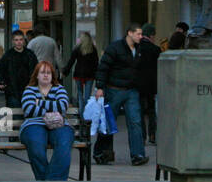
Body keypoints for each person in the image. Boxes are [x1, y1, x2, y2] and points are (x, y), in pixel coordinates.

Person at [95, 26, 148, 166]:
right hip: (114, 89)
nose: (140, 36)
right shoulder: (115, 48)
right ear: (129, 33)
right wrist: (100, 87)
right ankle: (101, 152)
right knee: (108, 122)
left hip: (131, 90)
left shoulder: (140, 49)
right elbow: (104, 67)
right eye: (138, 34)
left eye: (141, 34)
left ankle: (138, 154)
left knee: (135, 122)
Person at [20, 61, 72, 181]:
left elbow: (63, 107)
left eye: (49, 73)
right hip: (34, 124)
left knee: (64, 142)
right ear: (36, 75)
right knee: (36, 144)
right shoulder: (30, 90)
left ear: (52, 76)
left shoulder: (59, 89)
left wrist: (39, 103)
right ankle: (44, 181)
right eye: (42, 72)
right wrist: (52, 109)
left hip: (58, 124)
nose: (45, 75)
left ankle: (54, 181)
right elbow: (29, 109)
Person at [0, 30, 37, 109]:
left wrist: (32, 84)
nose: (19, 42)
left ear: (24, 40)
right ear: (13, 41)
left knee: (28, 113)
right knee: (14, 116)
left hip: (28, 90)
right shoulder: (8, 55)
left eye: (21, 39)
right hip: (12, 90)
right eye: (16, 40)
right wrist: (2, 82)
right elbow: (0, 69)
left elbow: (36, 70)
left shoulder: (30, 54)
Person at [137, 23, 161, 146]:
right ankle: (153, 135)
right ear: (151, 35)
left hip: (139, 85)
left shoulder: (136, 48)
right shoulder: (156, 50)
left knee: (140, 111)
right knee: (151, 111)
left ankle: (142, 136)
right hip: (152, 85)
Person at [65, 32, 99, 105]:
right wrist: (97, 75)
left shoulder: (77, 49)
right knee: (87, 96)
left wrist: (65, 71)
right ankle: (86, 113)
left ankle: (81, 112)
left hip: (78, 74)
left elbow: (71, 61)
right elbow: (96, 63)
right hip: (90, 75)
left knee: (80, 94)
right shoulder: (93, 50)